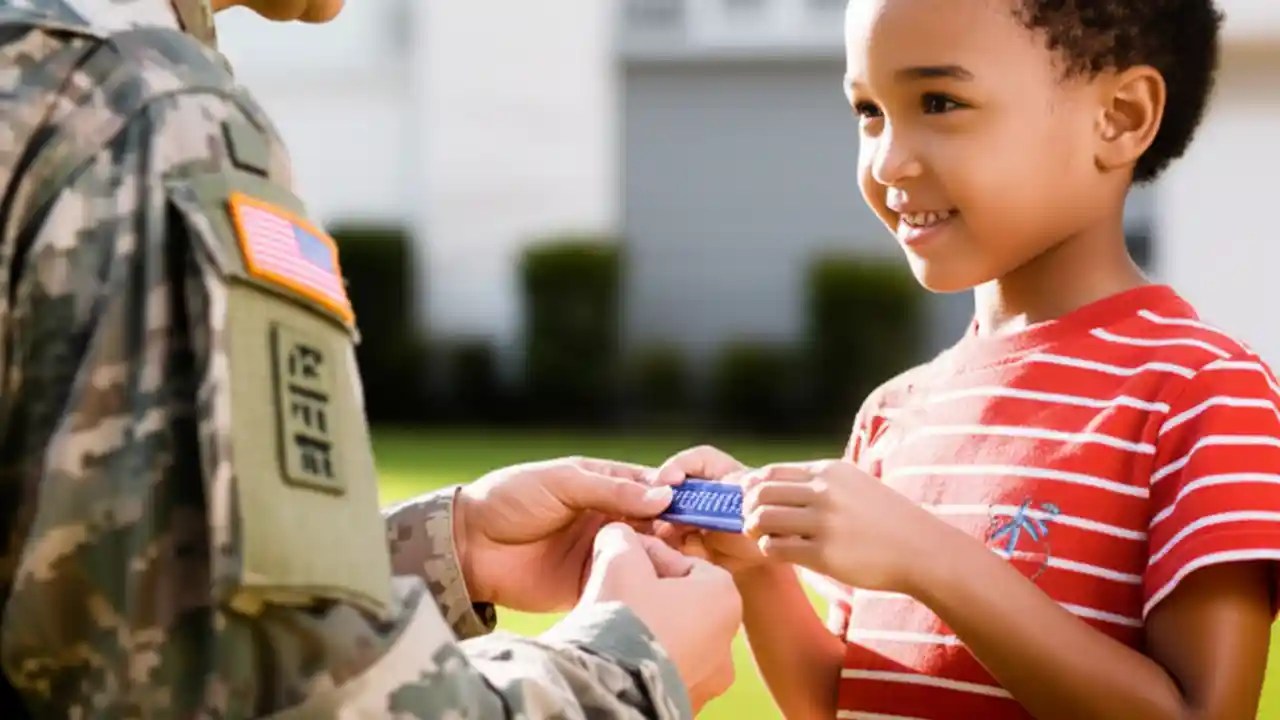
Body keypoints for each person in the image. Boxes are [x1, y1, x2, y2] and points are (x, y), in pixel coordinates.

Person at [0, 0, 741, 717]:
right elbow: (245, 696)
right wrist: (623, 671)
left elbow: (100, 593)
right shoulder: (149, 117)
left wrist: (446, 548)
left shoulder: (43, 70)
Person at [652, 0, 1280, 718]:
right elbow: (845, 698)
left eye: (939, 101)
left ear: (1121, 116)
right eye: (869, 111)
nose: (888, 159)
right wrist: (759, 569)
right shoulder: (897, 413)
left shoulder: (1201, 393)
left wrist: (932, 559)